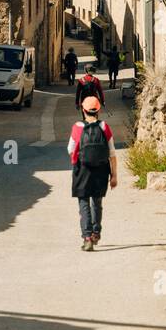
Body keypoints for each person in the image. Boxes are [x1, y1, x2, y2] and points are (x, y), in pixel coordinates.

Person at [68, 95, 118, 250]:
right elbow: (112, 153)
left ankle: (87, 237)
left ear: (83, 110)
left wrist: (78, 158)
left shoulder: (77, 126)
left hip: (82, 170)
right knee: (97, 202)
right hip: (101, 170)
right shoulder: (104, 127)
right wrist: (114, 176)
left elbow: (70, 149)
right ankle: (96, 233)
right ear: (98, 110)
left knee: (84, 203)